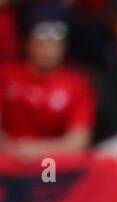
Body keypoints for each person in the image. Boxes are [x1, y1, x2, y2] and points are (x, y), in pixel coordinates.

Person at [0, 12, 95, 161]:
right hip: (6, 161)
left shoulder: (77, 84)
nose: (48, 49)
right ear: (27, 42)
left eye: (56, 42)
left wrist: (36, 151)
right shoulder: (5, 76)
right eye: (41, 41)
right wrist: (12, 151)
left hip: (55, 165)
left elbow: (78, 140)